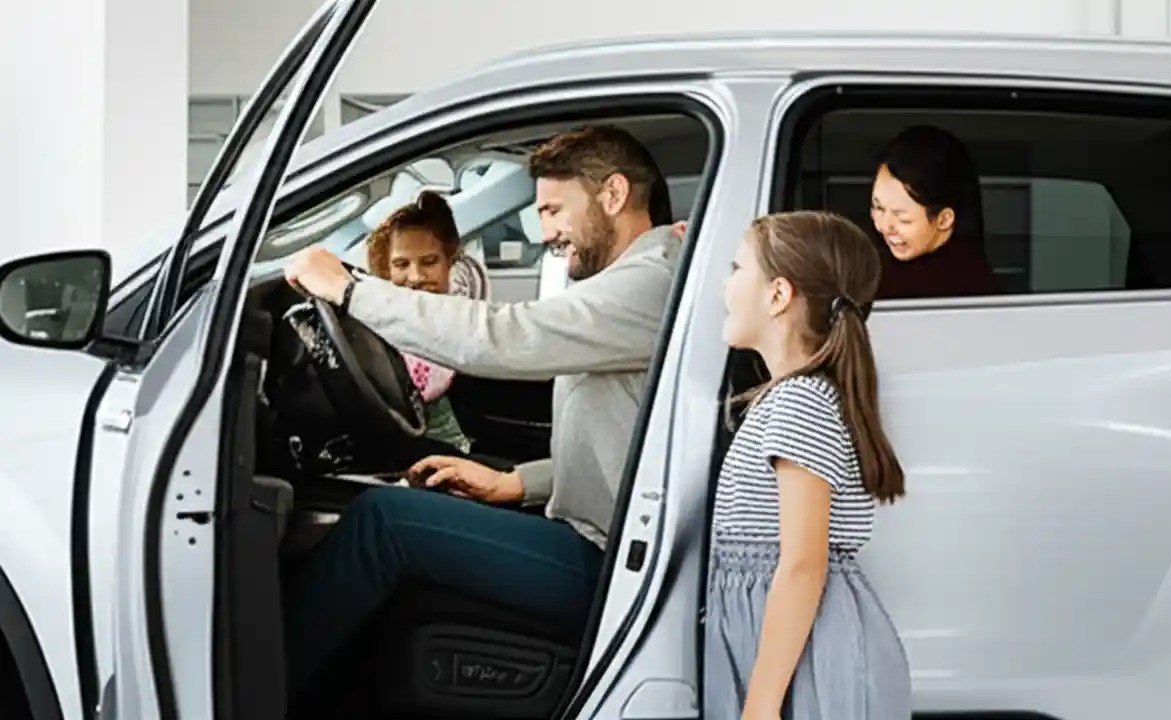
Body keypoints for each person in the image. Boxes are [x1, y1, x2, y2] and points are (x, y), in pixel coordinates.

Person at [280, 124, 683, 696]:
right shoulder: (643, 276)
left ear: (613, 195)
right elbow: (635, 439)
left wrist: (351, 291)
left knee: (383, 522)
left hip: (608, 564)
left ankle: (258, 693)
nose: (545, 233)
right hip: (601, 538)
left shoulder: (649, 282)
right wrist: (515, 482)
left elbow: (501, 336)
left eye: (552, 210)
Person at [704, 210, 911, 719]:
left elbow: (801, 564)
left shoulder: (801, 403)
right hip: (786, 641)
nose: (724, 285)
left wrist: (762, 705)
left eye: (736, 269)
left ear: (778, 295)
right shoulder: (792, 399)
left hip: (804, 655)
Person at [363, 188, 472, 453]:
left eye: (429, 262)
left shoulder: (459, 313)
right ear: (386, 268)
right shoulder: (377, 313)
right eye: (401, 264)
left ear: (450, 263)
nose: (415, 277)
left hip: (441, 444)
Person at [869, 124, 999, 299]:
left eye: (903, 218)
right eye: (878, 208)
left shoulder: (961, 284)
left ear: (944, 220)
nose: (884, 227)